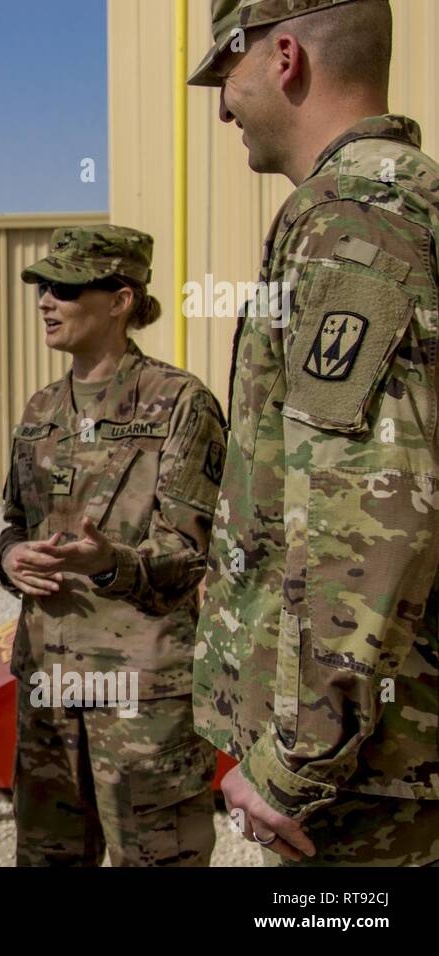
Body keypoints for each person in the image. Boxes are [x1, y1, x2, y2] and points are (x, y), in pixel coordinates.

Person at [189, 0, 439, 865]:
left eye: (228, 72)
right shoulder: (408, 200)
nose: (223, 106)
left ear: (285, 56)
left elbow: (370, 509)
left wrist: (299, 756)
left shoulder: (349, 219)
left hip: (373, 780)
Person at [0, 225, 225, 866]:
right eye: (43, 286)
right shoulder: (42, 408)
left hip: (142, 695)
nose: (45, 300)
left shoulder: (180, 403)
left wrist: (111, 565)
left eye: (64, 288)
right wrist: (10, 559)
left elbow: (191, 557)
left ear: (120, 299)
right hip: (48, 687)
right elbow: (13, 523)